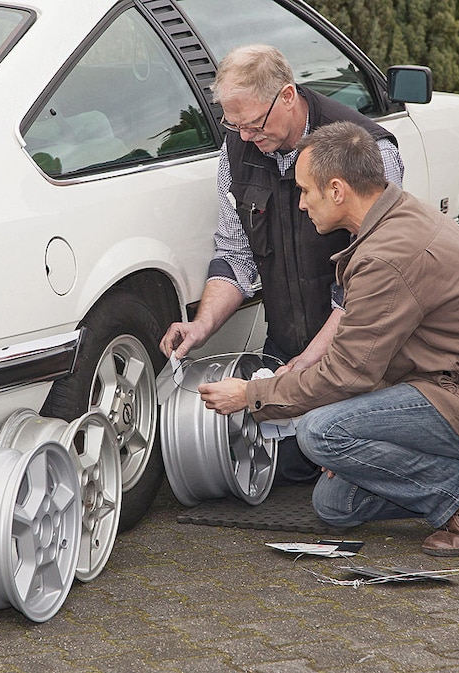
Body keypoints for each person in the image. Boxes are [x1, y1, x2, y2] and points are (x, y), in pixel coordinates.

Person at [198, 121, 459, 557]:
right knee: (334, 505)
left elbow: (348, 374)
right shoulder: (396, 216)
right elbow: (373, 356)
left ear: (337, 190)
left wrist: (251, 393)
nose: (300, 204)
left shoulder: (387, 257)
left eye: (305, 191)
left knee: (321, 433)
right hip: (443, 382)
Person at [159, 44, 404, 484]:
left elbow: (364, 290)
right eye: (233, 125)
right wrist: (199, 328)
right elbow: (235, 255)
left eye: (253, 123)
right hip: (288, 349)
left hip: (362, 357)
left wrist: (310, 364)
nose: (246, 137)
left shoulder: (367, 153)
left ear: (288, 95)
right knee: (286, 468)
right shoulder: (236, 150)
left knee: (333, 466)